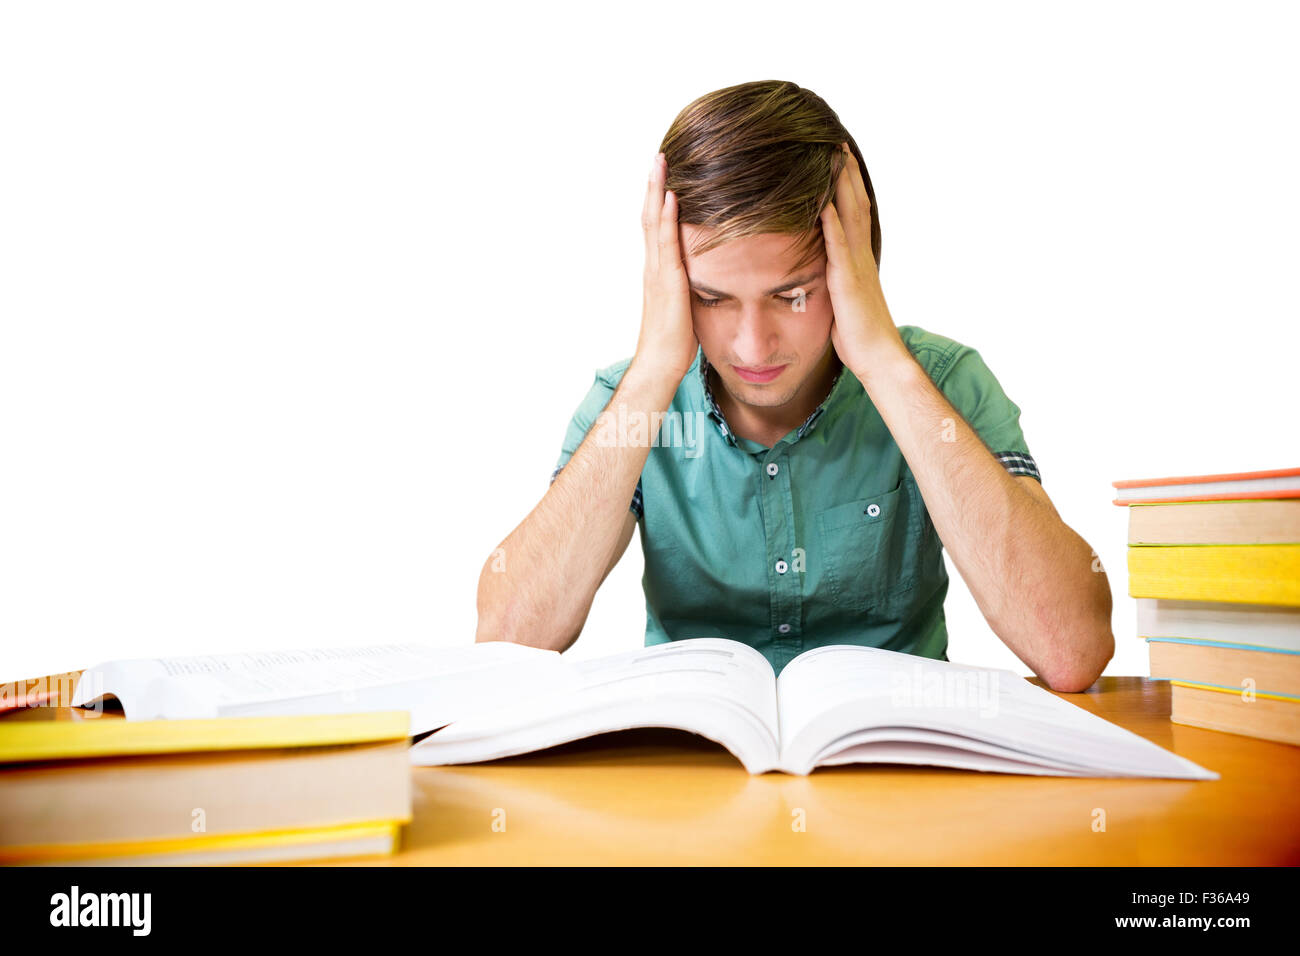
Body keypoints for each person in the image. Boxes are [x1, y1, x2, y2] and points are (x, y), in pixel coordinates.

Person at [476, 80, 1114, 691]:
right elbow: (507, 640)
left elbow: (1070, 648)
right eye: (712, 297)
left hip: (901, 779)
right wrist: (650, 376)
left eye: (792, 294)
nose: (752, 346)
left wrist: (885, 365)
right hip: (693, 781)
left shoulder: (942, 382)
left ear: (854, 267)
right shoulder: (630, 402)